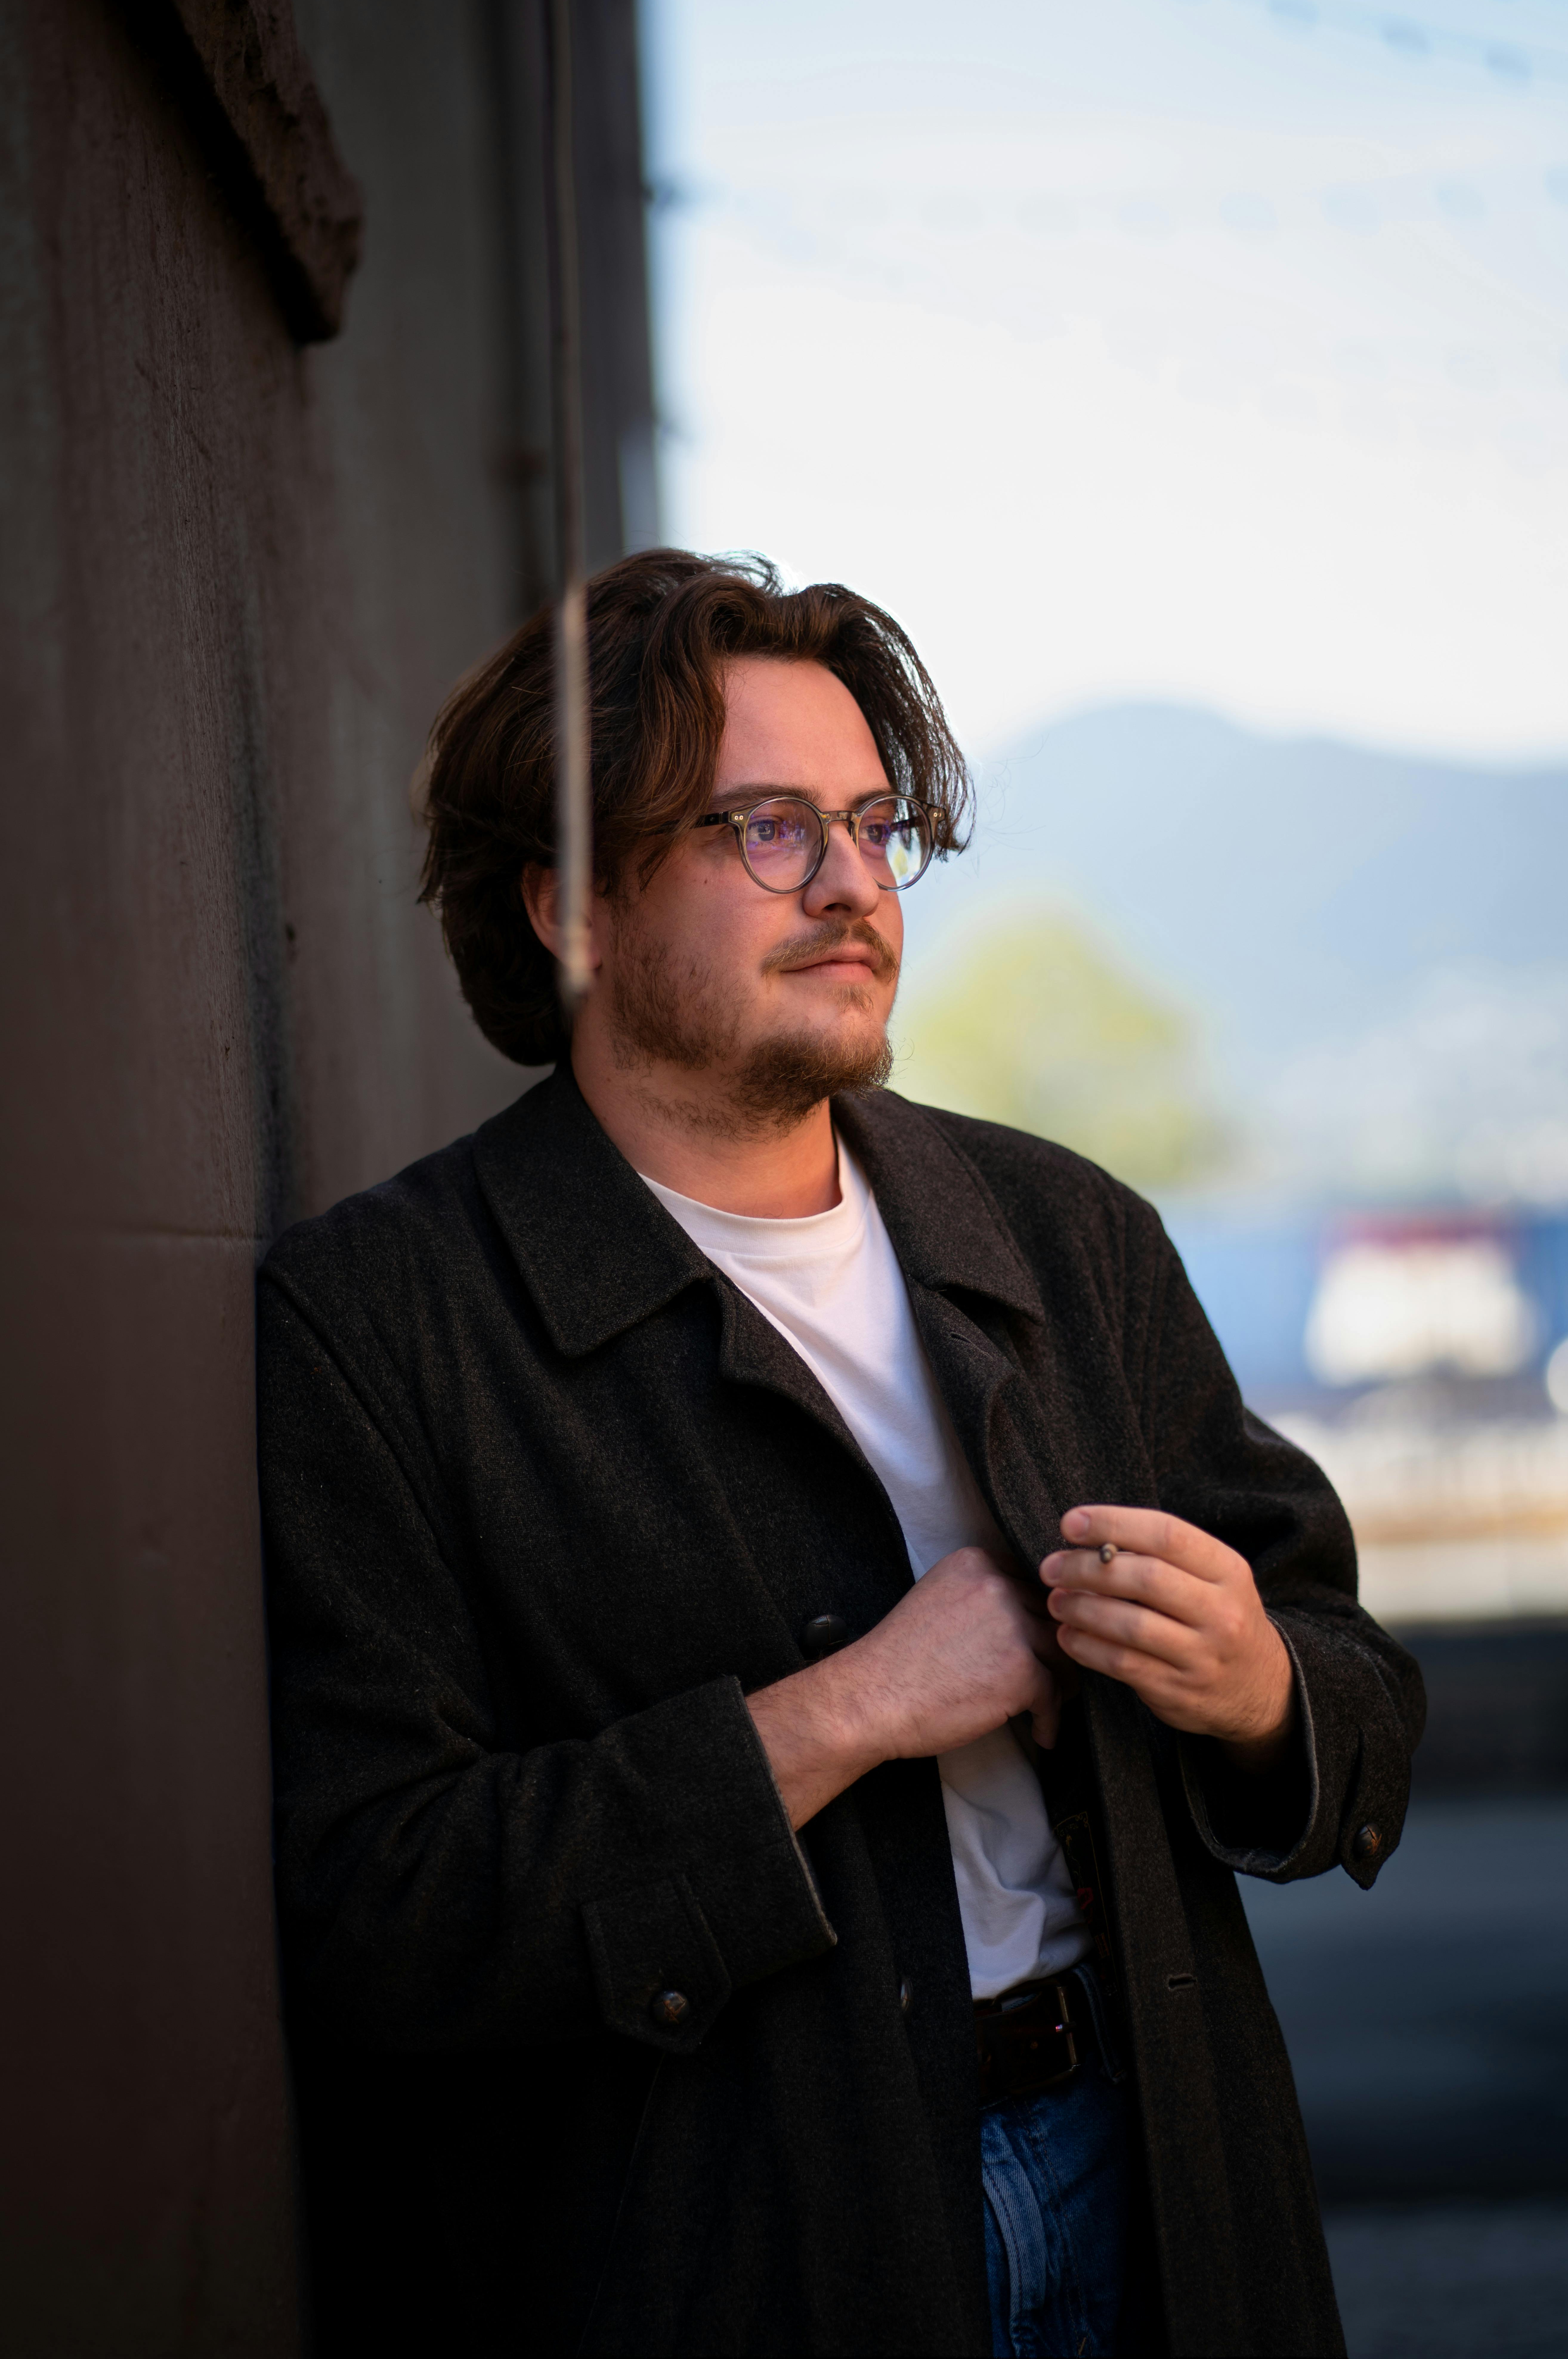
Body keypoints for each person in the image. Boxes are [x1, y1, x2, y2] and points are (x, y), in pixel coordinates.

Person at [258, 549, 1424, 2358]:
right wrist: (850, 1710)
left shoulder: (1062, 1234)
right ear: (569, 905)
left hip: (1160, 2178)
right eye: (767, 830)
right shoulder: (385, 1322)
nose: (855, 885)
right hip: (738, 2249)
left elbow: (1357, 1697)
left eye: (875, 825)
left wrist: (1258, 1681)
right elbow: (383, 1908)